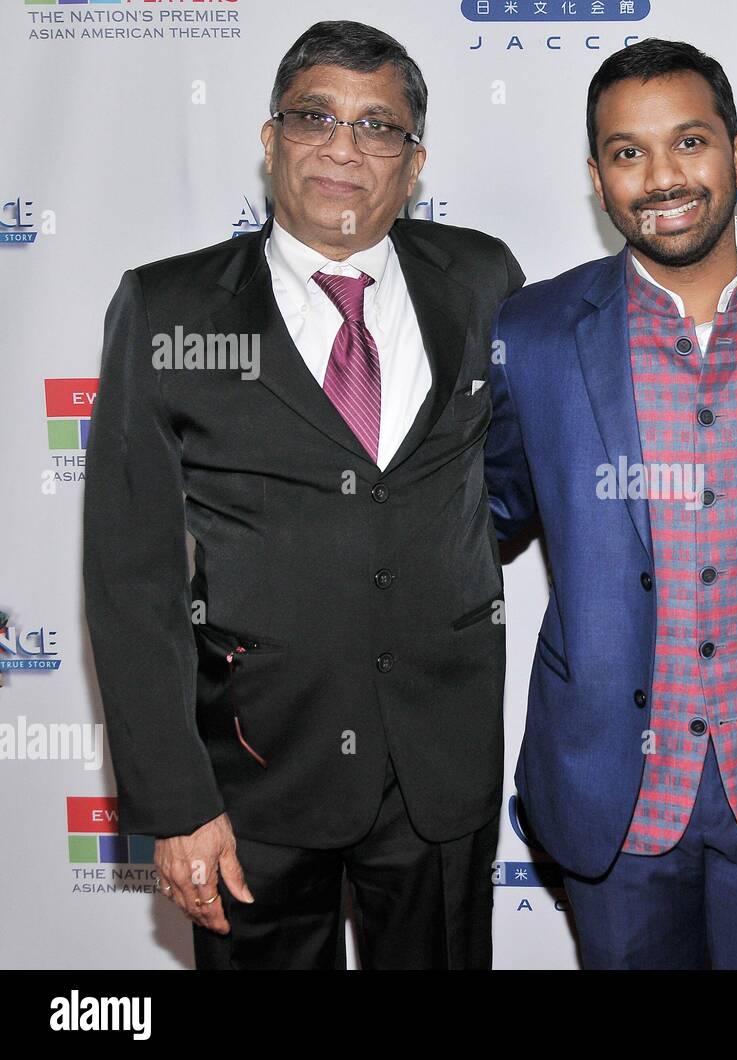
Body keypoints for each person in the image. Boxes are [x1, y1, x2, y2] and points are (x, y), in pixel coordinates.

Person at [82, 20, 523, 969]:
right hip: (254, 771)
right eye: (314, 117)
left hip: (438, 768)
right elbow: (132, 575)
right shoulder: (169, 310)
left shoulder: (482, 280)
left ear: (414, 162)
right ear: (271, 136)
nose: (342, 147)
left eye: (377, 127)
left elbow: (511, 482)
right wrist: (175, 799)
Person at [485, 39, 737, 969]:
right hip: (614, 790)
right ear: (597, 178)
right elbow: (482, 520)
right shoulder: (536, 332)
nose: (662, 177)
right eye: (628, 153)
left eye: (690, 143)